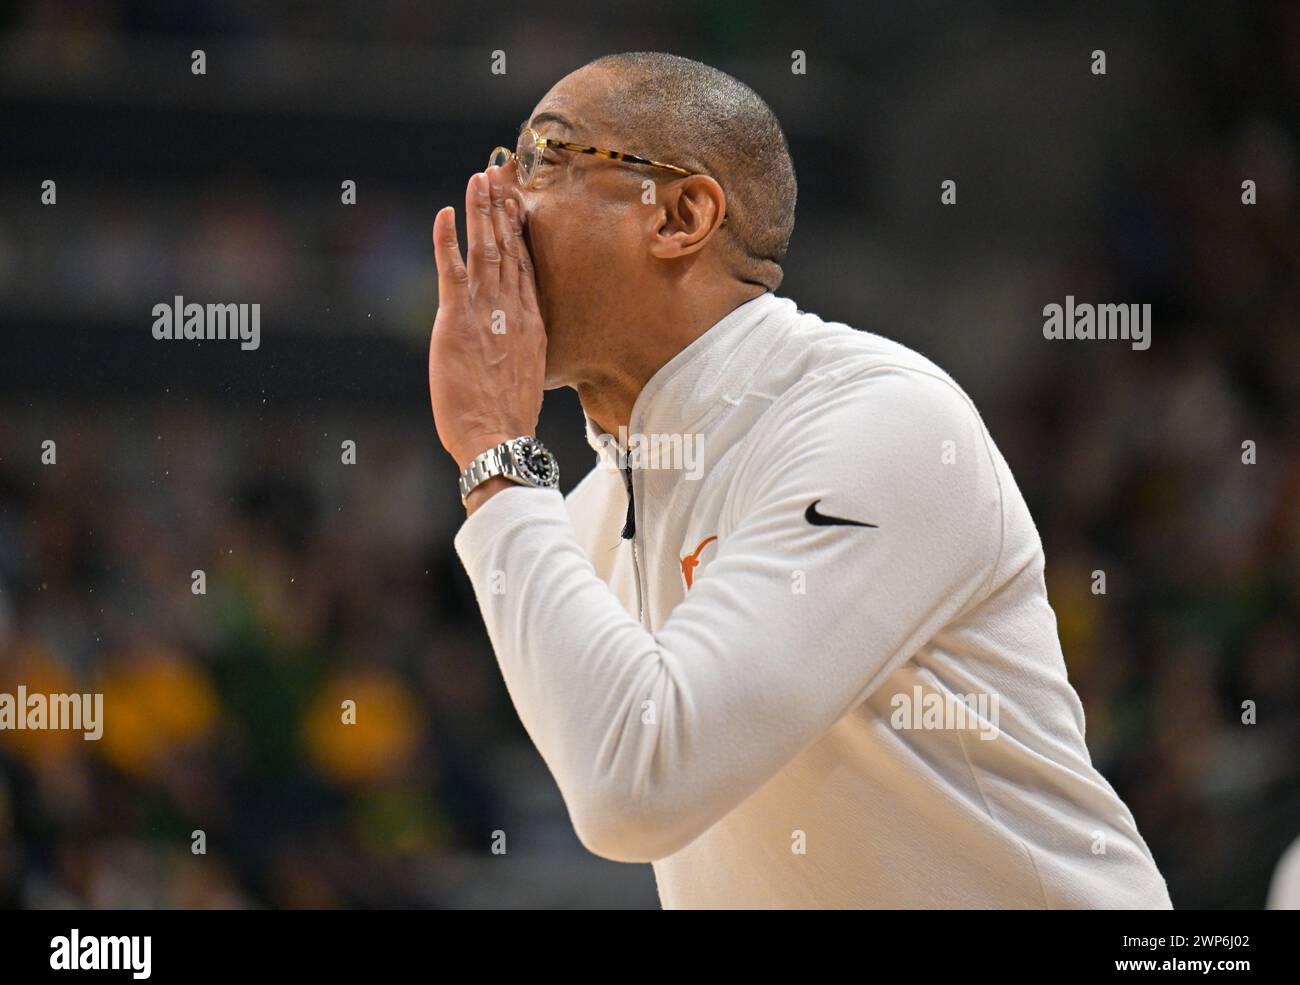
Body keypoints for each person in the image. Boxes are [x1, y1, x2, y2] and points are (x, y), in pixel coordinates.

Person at [426, 51, 1172, 908]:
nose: (505, 202)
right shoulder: (595, 509)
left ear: (679, 214)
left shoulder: (883, 424)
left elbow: (634, 785)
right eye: (511, 161)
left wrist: (492, 450)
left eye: (550, 156)